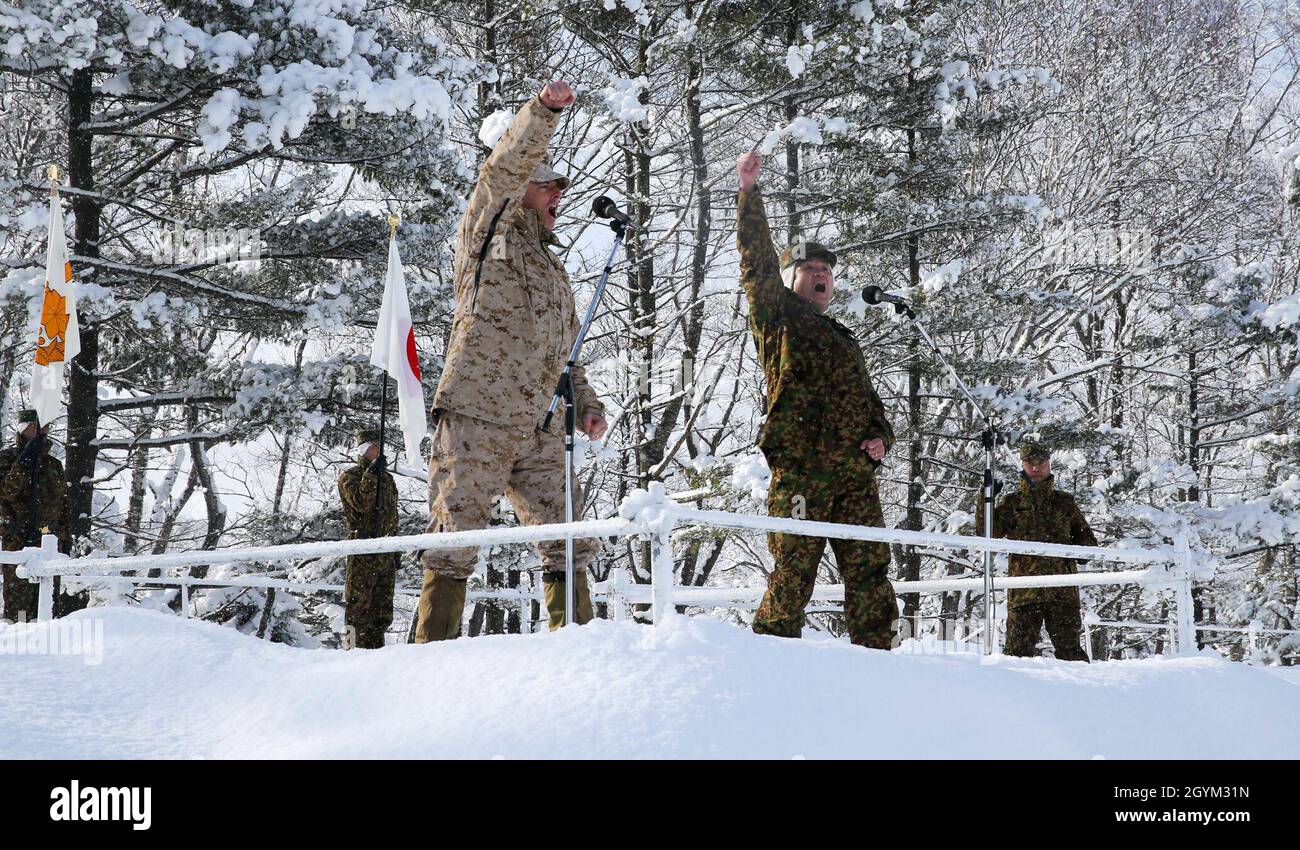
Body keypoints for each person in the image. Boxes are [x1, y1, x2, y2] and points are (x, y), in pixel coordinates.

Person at [415, 80, 609, 641]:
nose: (559, 196)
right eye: (549, 185)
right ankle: (429, 658)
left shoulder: (555, 270)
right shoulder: (488, 232)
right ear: (524, 187)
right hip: (478, 415)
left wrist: (587, 407)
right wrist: (543, 113)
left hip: (541, 425)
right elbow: (498, 173)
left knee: (568, 535)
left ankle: (579, 647)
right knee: (455, 536)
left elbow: (565, 356)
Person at [735, 152, 898, 649]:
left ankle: (880, 656)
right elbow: (757, 262)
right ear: (790, 279)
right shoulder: (778, 318)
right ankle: (770, 654)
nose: (821, 275)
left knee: (869, 567)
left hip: (853, 475)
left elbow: (871, 405)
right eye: (809, 268)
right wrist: (748, 194)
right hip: (803, 468)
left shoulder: (845, 340)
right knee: (794, 565)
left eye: (826, 269)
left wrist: (881, 439)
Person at [975, 440, 1097, 661]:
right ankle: (1013, 695)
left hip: (1062, 592)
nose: (1035, 467)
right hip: (1024, 591)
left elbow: (1087, 540)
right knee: (1016, 655)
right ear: (1022, 465)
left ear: (1049, 464)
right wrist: (985, 499)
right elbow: (987, 534)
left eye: (1040, 462)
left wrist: (1082, 551)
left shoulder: (1064, 503)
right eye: (1030, 462)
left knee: (1071, 654)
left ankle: (1081, 693)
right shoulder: (1013, 503)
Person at [0, 409, 72, 623]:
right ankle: (21, 636)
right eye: (37, 426)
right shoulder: (7, 458)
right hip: (18, 538)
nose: (43, 431)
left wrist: (66, 538)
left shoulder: (53, 465)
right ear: (25, 429)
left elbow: (63, 505)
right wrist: (27, 458)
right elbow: (7, 490)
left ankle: (48, 642)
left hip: (48, 538)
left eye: (45, 426)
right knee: (19, 604)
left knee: (47, 599)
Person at [337, 429, 400, 648]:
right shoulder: (351, 476)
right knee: (358, 606)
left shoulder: (388, 479)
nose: (379, 450)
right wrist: (371, 475)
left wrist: (396, 545)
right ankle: (351, 649)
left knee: (382, 608)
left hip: (386, 549)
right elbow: (361, 504)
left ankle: (376, 653)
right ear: (364, 450)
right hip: (363, 548)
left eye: (380, 446)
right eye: (374, 447)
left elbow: (392, 514)